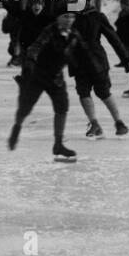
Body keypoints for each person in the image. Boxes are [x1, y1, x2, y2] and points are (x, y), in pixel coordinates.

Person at [9, 9, 80, 162]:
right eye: (65, 16)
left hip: (56, 78)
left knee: (62, 107)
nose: (69, 20)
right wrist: (30, 64)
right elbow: (35, 47)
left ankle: (58, 144)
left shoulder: (74, 35)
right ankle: (17, 126)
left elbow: (80, 53)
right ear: (58, 18)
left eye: (72, 17)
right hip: (39, 75)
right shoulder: (50, 31)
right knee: (26, 106)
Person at [67, 2, 129, 138]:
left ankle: (118, 122)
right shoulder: (71, 17)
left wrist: (125, 58)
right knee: (84, 92)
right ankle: (95, 123)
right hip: (83, 62)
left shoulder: (96, 16)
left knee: (102, 91)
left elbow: (113, 38)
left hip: (94, 61)